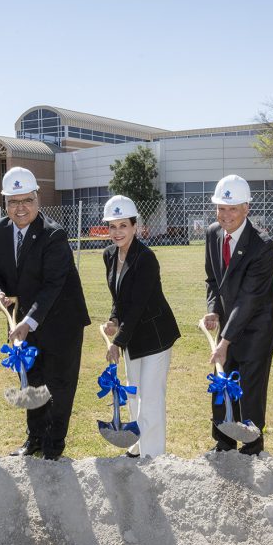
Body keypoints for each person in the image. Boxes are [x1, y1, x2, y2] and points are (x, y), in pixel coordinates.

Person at [0, 167, 90, 461]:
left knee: (59, 386)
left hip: (60, 322)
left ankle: (53, 446)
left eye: (27, 200)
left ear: (38, 199)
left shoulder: (53, 234)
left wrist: (27, 322)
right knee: (31, 382)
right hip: (25, 322)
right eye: (13, 202)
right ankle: (34, 439)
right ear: (5, 203)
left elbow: (52, 285)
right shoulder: (0, 230)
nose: (20, 208)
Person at [202, 175, 273, 455]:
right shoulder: (213, 234)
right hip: (228, 326)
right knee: (222, 385)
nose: (226, 215)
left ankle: (251, 446)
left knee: (249, 392)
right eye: (221, 208)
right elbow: (213, 280)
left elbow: (249, 299)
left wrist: (224, 342)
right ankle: (224, 444)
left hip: (256, 330)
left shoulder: (262, 246)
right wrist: (213, 310)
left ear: (247, 208)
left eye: (233, 208)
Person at [101, 195, 180, 458]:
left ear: (135, 227)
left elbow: (137, 305)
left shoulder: (146, 258)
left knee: (151, 397)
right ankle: (136, 445)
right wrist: (114, 319)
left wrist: (117, 342)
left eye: (123, 225)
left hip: (155, 336)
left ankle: (153, 456)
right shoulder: (109, 254)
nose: (117, 232)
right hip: (131, 336)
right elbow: (119, 297)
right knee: (132, 392)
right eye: (112, 226)